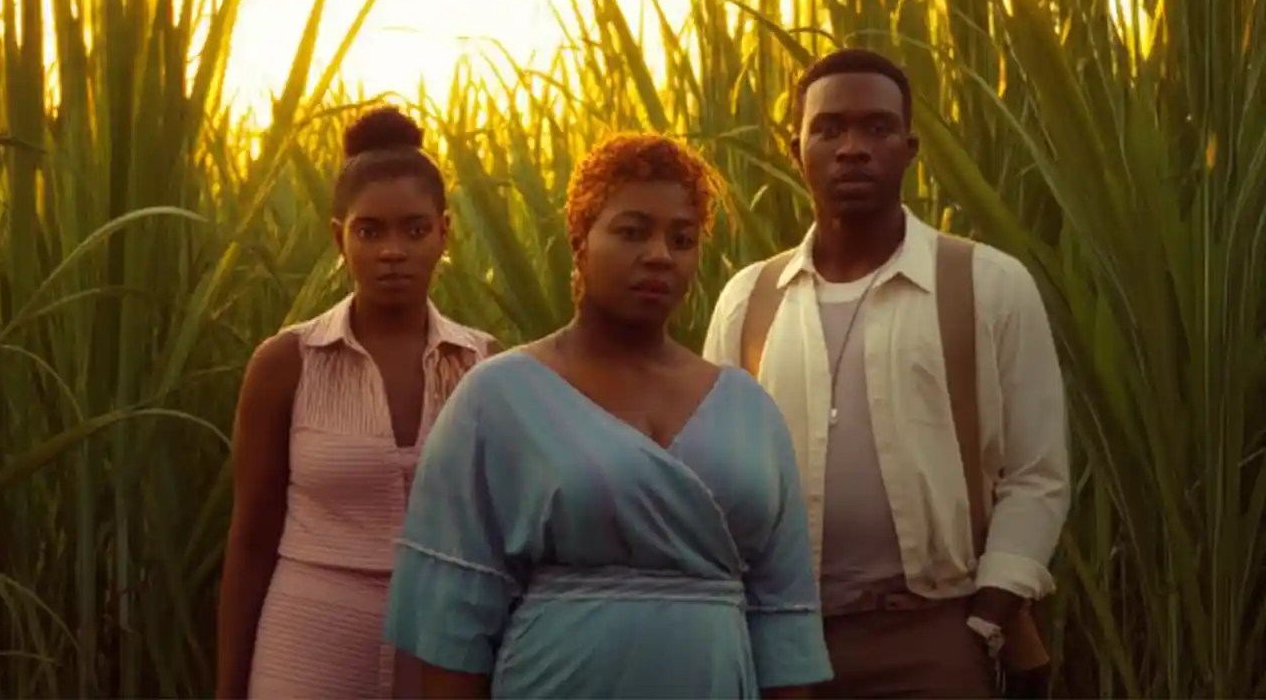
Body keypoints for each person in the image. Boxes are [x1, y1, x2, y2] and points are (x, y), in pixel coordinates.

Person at [383, 133, 832, 699]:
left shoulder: (749, 410)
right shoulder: (499, 399)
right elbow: (452, 615)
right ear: (580, 240)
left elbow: (784, 616)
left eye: (682, 238)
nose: (659, 254)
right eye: (632, 231)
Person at [702, 48, 1071, 698]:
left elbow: (1037, 472)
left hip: (935, 633)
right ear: (797, 149)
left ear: (910, 148)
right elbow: (714, 475)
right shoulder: (749, 300)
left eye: (876, 128)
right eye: (830, 129)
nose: (852, 148)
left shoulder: (988, 284)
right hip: (783, 641)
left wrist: (990, 611)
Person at [214, 106, 499, 699]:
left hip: (440, 646)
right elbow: (250, 537)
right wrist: (228, 688)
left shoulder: (484, 366)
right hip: (307, 643)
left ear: (445, 232)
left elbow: (499, 537)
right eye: (370, 231)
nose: (392, 251)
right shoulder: (286, 363)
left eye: (414, 230)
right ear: (338, 235)